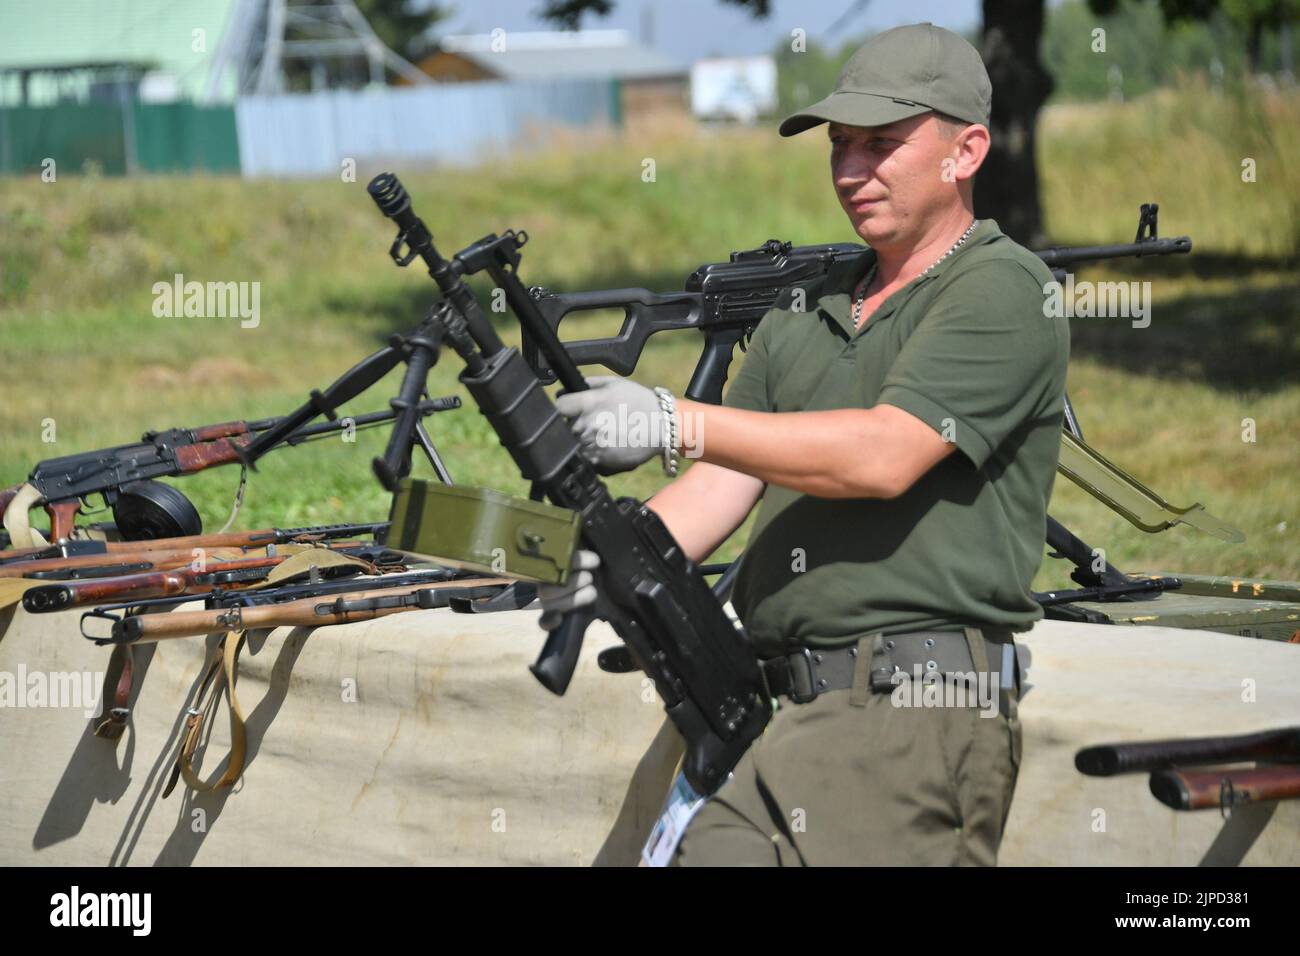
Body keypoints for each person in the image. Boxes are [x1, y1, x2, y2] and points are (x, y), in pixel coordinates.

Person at [541, 22, 1069, 866]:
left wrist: (672, 418)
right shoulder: (807, 308)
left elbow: (883, 455)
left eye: (883, 145)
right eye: (841, 147)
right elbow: (721, 484)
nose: (852, 172)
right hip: (771, 709)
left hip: (913, 711)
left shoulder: (1005, 289)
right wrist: (609, 561)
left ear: (966, 151)